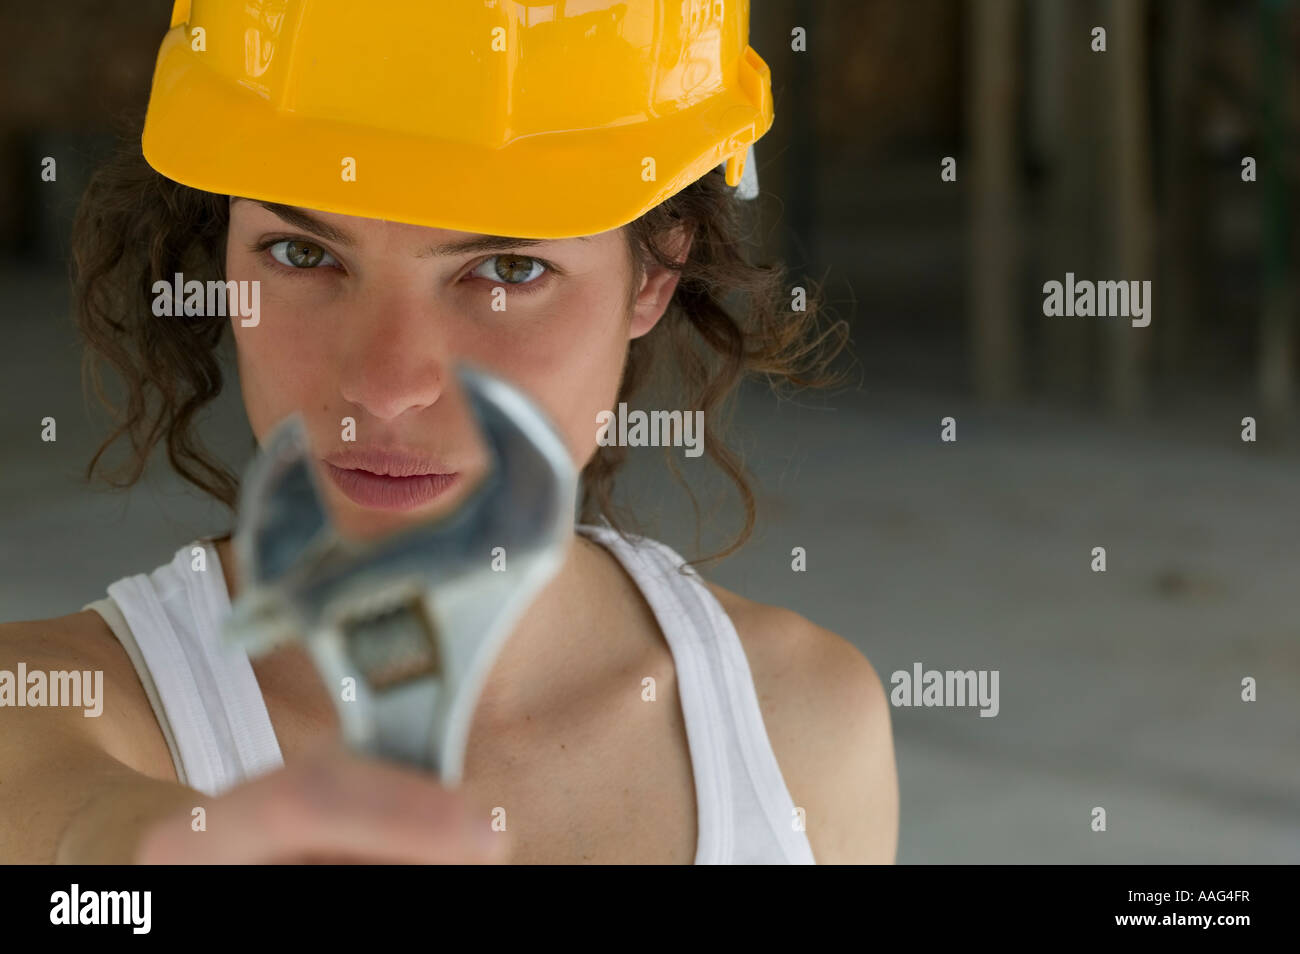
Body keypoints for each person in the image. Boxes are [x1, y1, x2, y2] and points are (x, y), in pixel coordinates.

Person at [0, 0, 898, 864]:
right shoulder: (50, 710)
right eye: (303, 253)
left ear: (656, 271)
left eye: (506, 268)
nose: (385, 387)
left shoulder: (806, 733)